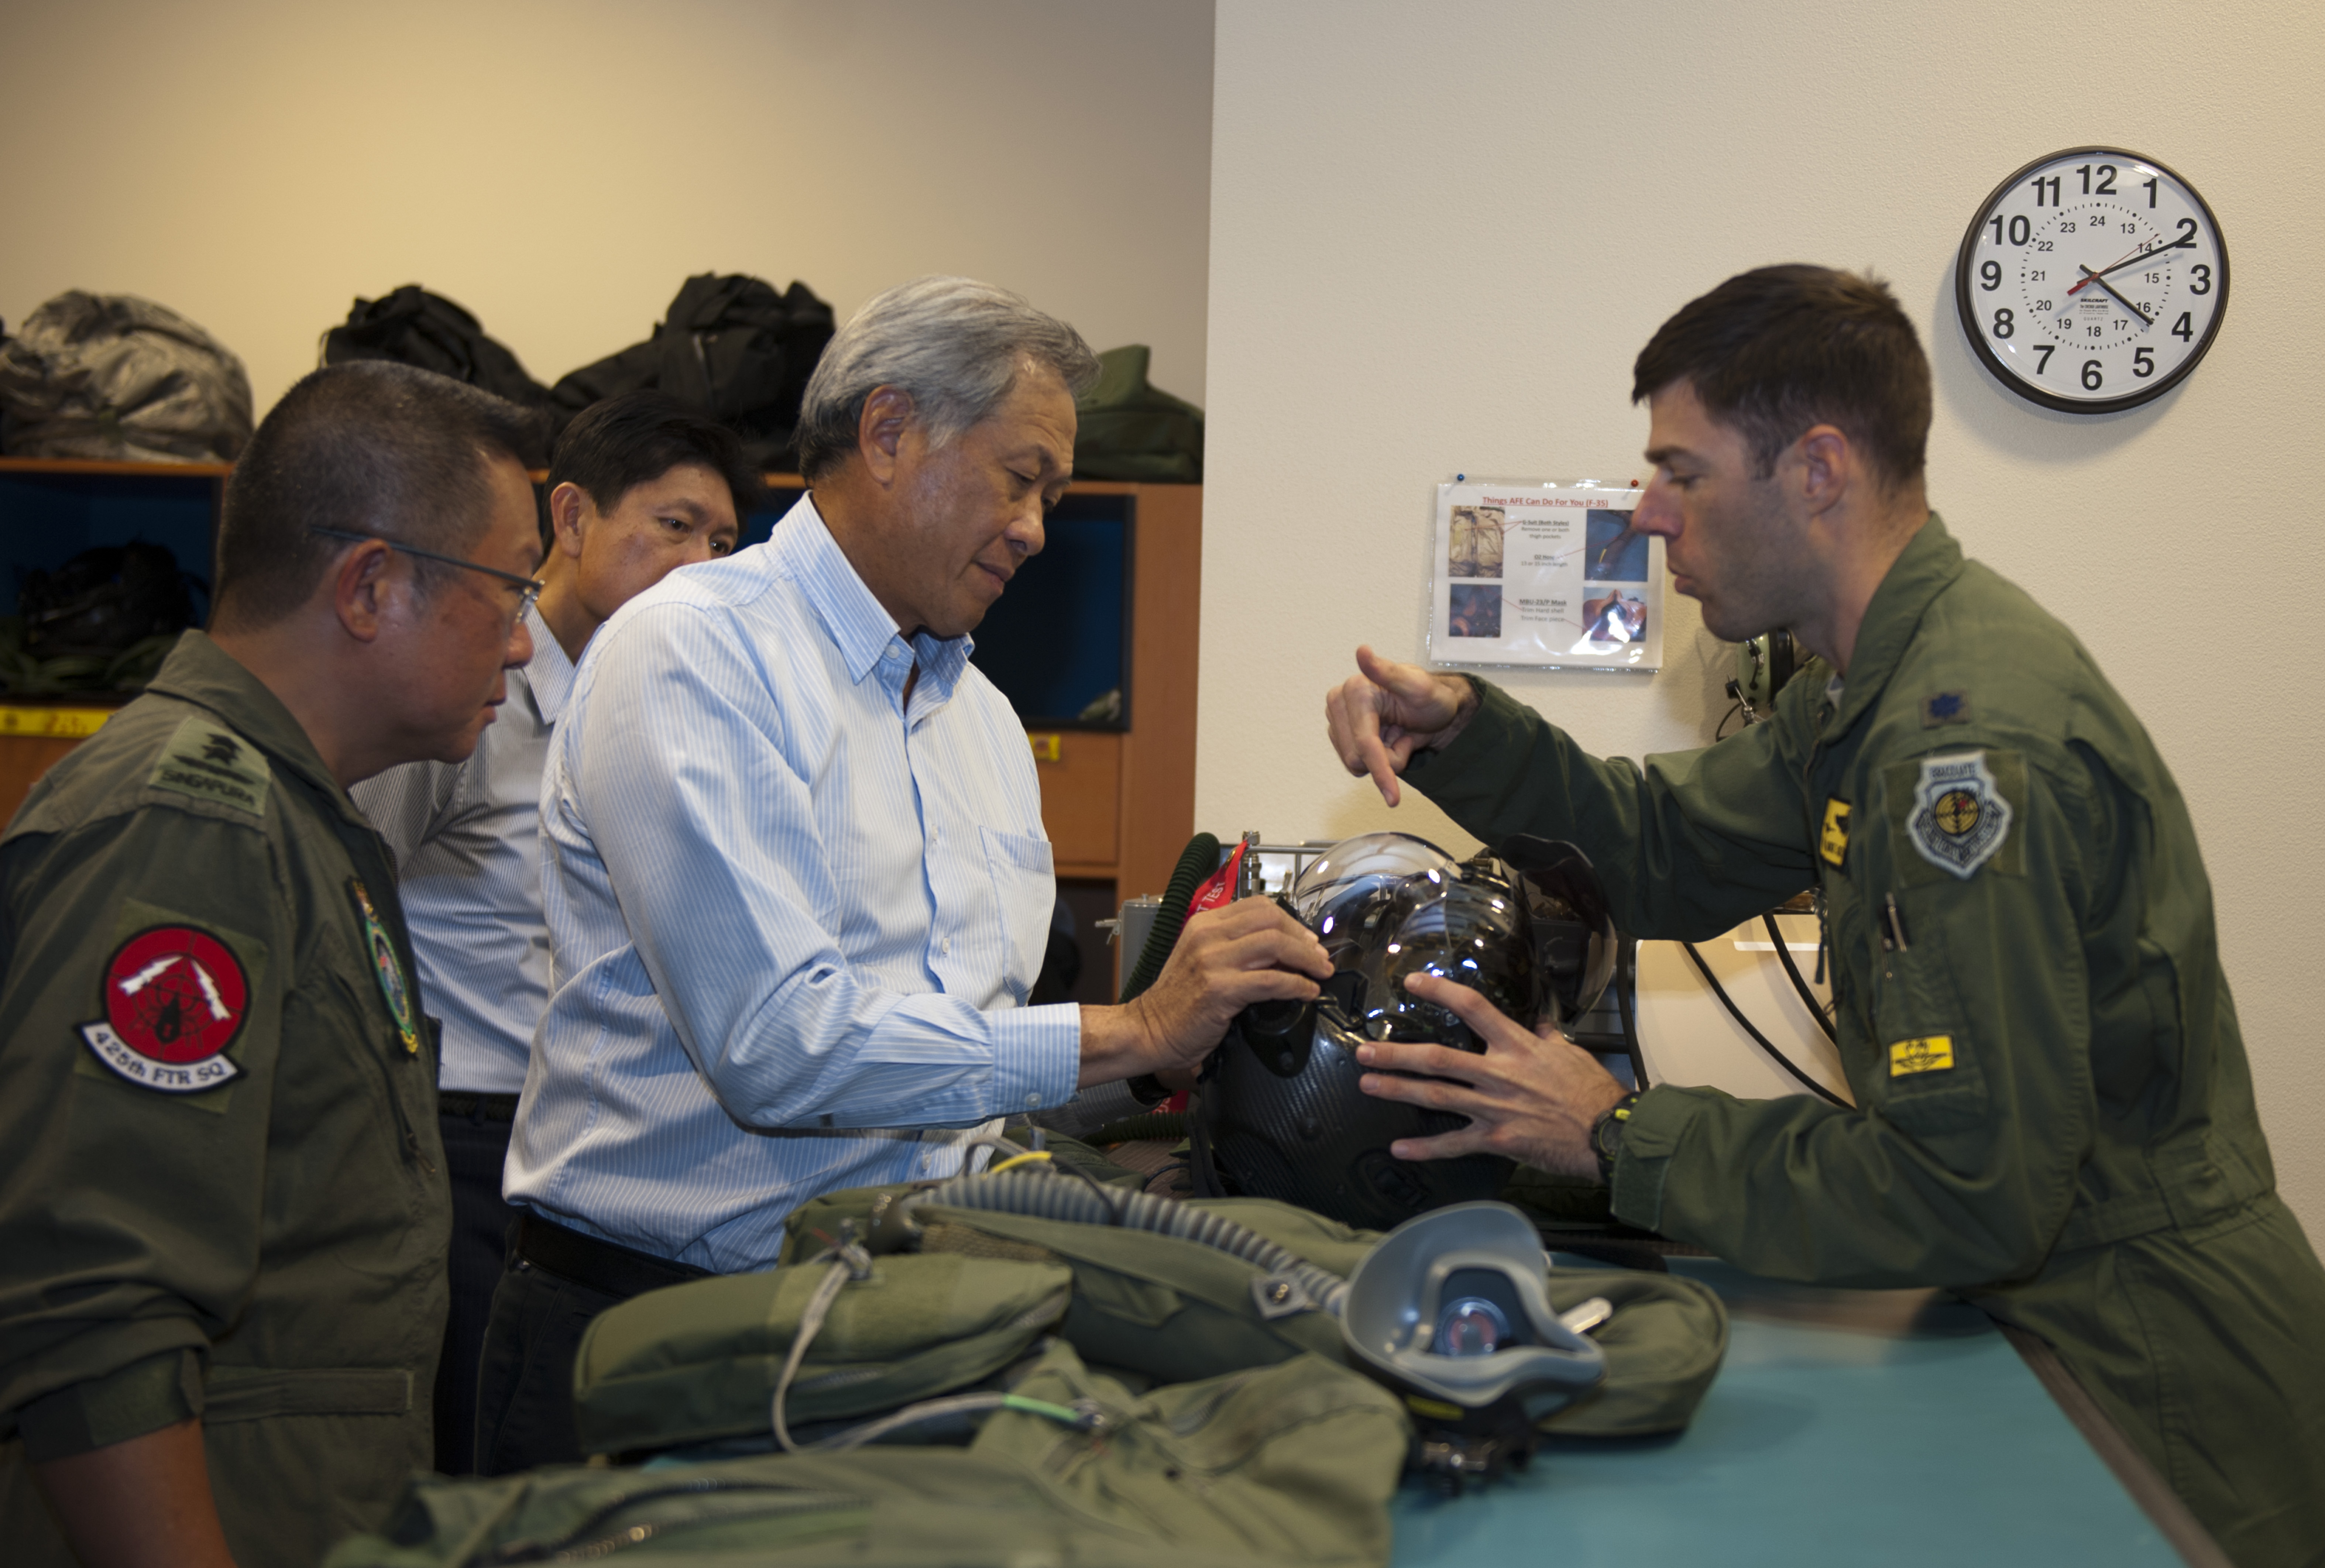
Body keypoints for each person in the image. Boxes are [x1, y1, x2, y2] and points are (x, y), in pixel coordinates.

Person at [1325, 266, 2325, 1568]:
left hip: (2156, 1380)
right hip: (2081, 1328)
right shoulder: (1872, 691)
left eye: (1681, 474)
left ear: (1817, 469)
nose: (1648, 516)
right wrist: (1468, 735)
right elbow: (1663, 848)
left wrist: (1622, 1133)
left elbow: (1968, 1188)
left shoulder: (1960, 744)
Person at [479, 277, 1330, 1474]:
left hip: (889, 1328)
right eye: (1020, 478)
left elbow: (956, 1068)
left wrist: (1158, 1065)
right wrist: (1129, 1027)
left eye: (1055, 494)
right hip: (653, 1340)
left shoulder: (980, 722)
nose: (1038, 527)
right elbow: (779, 1047)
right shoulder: (696, 653)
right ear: (888, 435)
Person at [0, 361, 543, 1568]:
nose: (522, 645)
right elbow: (98, 1316)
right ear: (371, 586)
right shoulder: (187, 825)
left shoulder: (300, 822)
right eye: (512, 590)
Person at [350, 392, 762, 1475]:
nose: (704, 563)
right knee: (476, 1469)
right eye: (674, 526)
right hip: (460, 1139)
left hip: (585, 1151)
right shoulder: (468, 698)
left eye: (724, 542)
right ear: (571, 519)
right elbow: (344, 897)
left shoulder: (667, 710)